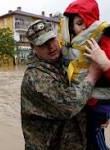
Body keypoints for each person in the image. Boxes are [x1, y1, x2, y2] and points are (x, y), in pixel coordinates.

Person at [21, 19, 101, 150]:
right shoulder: (35, 77)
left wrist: (99, 112)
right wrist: (92, 77)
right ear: (33, 48)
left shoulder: (63, 62)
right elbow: (70, 105)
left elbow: (79, 87)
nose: (51, 47)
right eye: (43, 44)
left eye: (51, 39)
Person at [59, 0, 110, 149]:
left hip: (98, 106)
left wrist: (105, 63)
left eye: (88, 24)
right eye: (80, 23)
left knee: (96, 143)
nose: (84, 28)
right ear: (70, 26)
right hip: (83, 104)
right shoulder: (68, 45)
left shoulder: (103, 41)